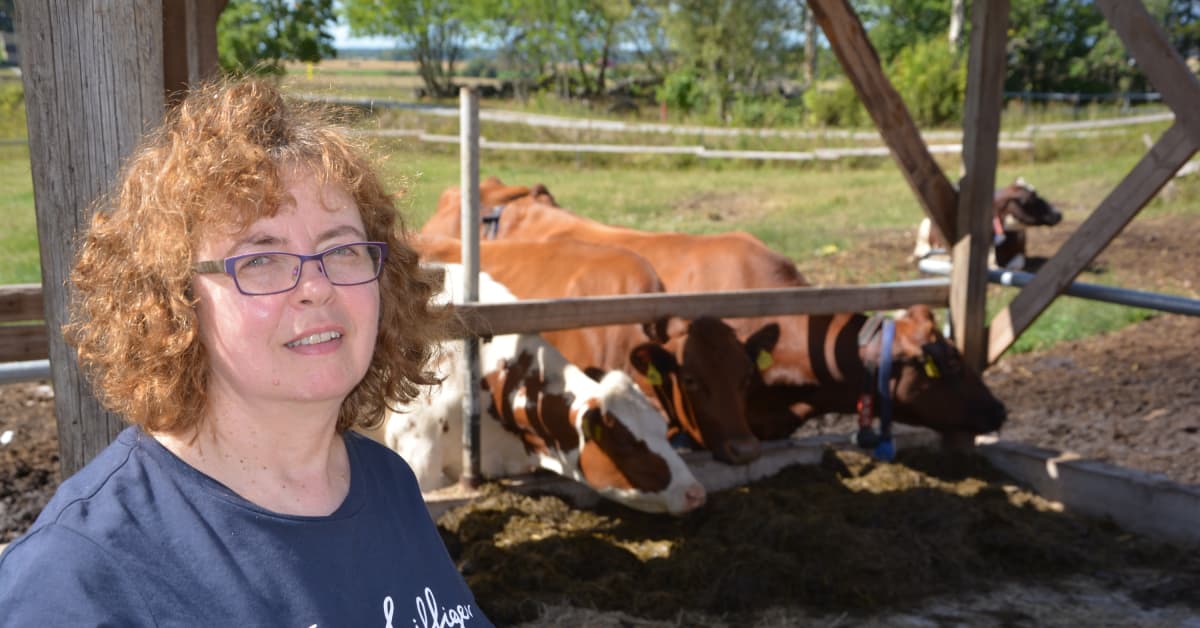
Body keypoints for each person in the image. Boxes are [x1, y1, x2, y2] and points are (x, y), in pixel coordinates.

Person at [0, 78, 492, 627]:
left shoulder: (388, 484)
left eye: (343, 249)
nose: (316, 286)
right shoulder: (80, 576)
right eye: (260, 260)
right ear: (174, 302)